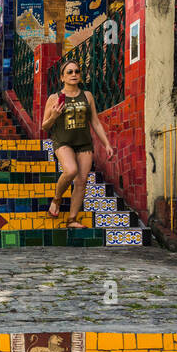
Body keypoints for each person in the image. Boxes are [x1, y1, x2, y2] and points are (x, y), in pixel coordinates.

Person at [41, 60, 115, 229]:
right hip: (63, 141)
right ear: (62, 77)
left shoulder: (87, 96)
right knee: (71, 170)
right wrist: (53, 115)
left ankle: (72, 219)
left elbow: (95, 122)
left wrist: (107, 144)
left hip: (84, 144)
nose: (74, 74)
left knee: (81, 181)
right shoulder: (54, 98)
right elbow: (44, 126)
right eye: (69, 72)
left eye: (77, 71)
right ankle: (57, 198)